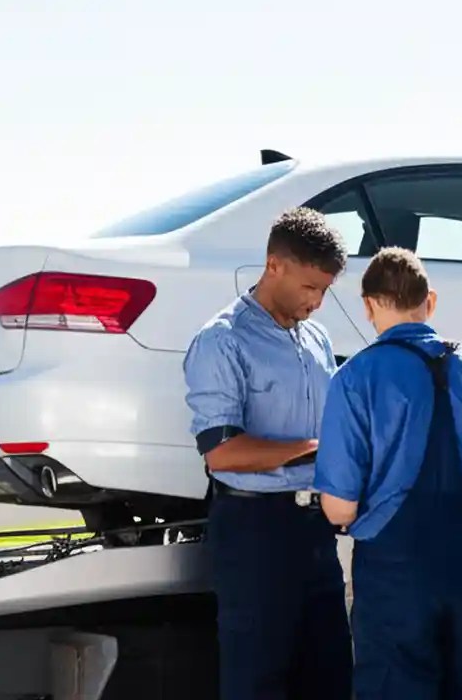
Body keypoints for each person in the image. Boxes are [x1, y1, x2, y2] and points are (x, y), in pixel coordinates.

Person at [314, 246, 462, 699]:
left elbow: (339, 507)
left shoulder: (355, 378)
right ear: (429, 302)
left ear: (369, 305)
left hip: (395, 575)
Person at [182, 207, 353, 700]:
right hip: (256, 532)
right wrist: (316, 451)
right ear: (274, 265)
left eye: (324, 290)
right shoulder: (222, 340)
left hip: (317, 530)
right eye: (309, 288)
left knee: (331, 678)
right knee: (258, 682)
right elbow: (221, 453)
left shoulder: (316, 338)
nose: (317, 302)